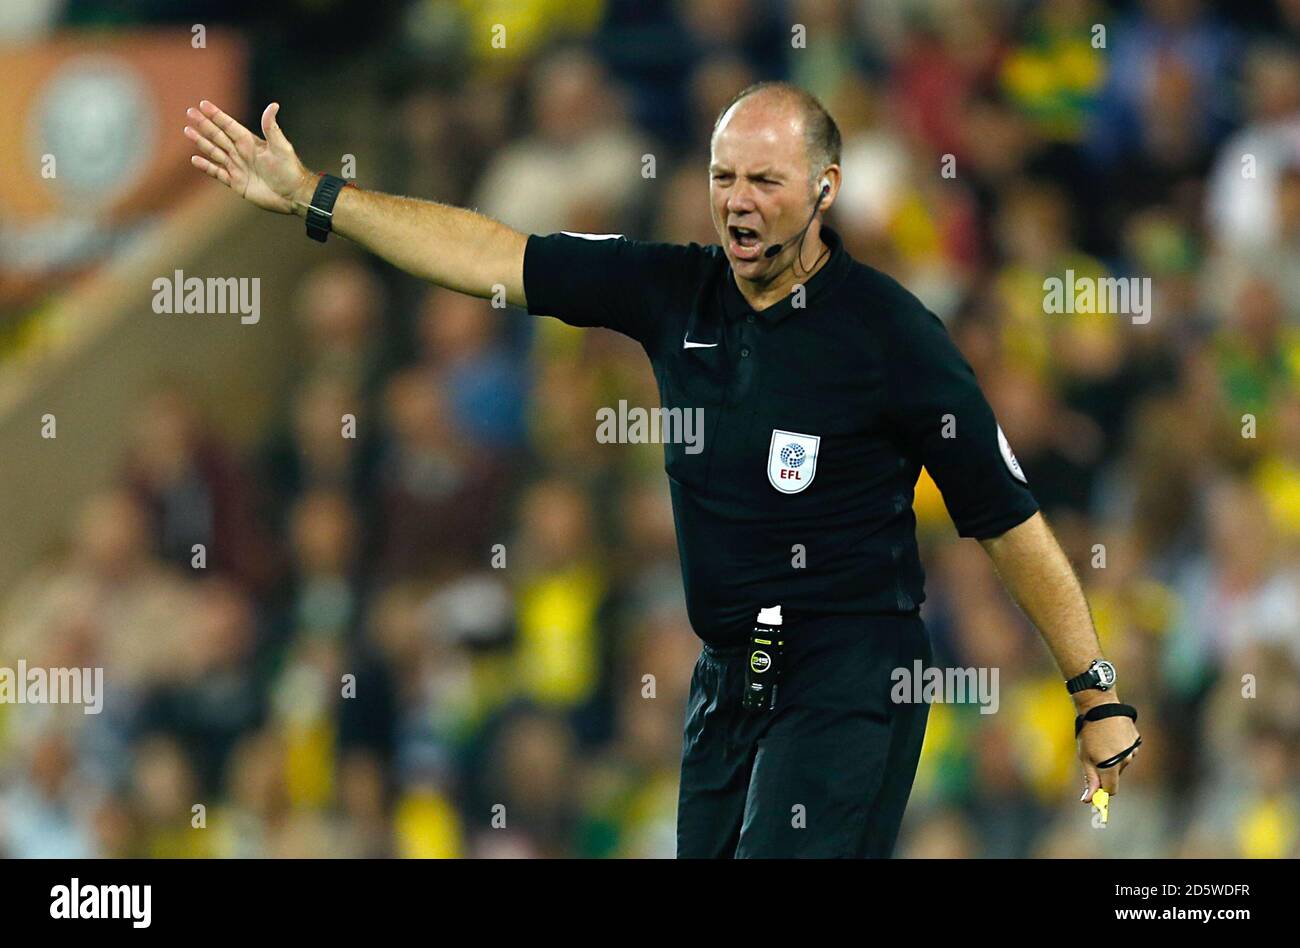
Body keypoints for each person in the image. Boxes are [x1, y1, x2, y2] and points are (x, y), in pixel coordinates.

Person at [184, 80, 1141, 858]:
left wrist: (1093, 690)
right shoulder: (672, 290)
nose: (738, 200)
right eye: (725, 176)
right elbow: (495, 255)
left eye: (766, 179)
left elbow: (1007, 520)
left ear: (826, 188)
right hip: (731, 675)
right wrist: (319, 196)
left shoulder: (894, 337)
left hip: (852, 673)